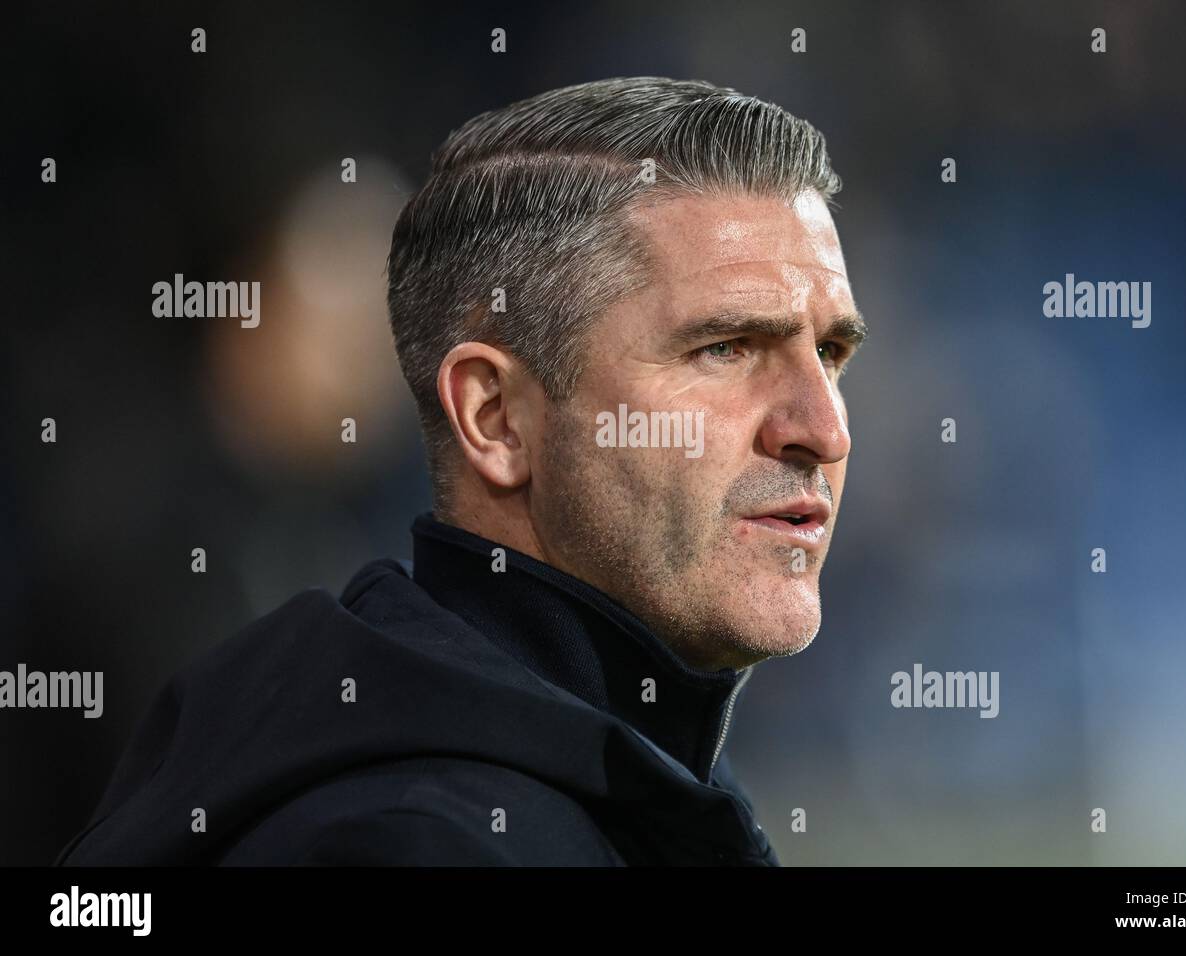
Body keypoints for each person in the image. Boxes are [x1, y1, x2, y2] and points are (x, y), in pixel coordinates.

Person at [55, 76, 864, 866]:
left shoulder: (638, 780)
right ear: (496, 418)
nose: (823, 429)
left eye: (829, 353)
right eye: (724, 349)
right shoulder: (408, 839)